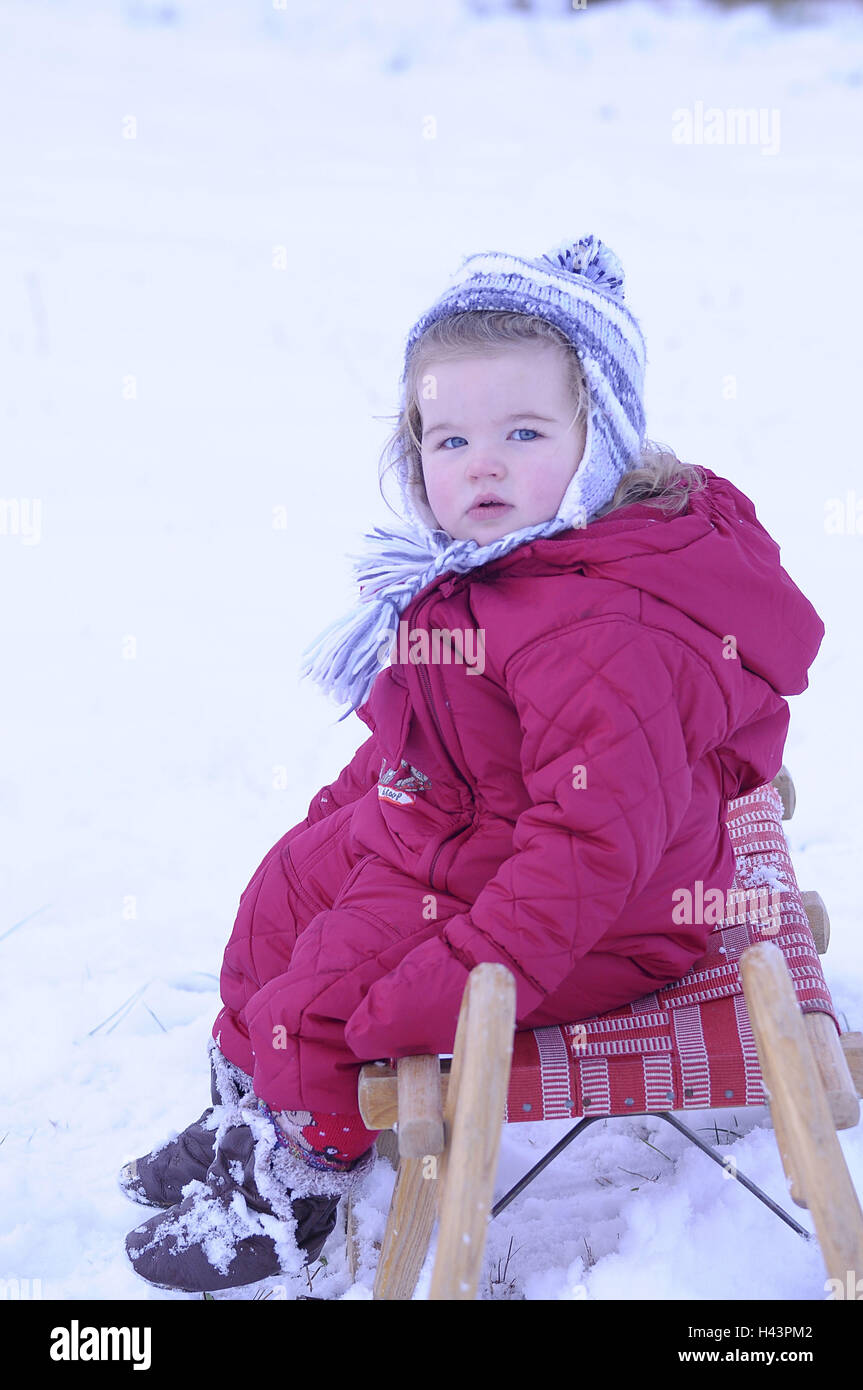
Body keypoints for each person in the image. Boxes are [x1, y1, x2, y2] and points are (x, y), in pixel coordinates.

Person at [119, 235, 825, 1293]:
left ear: (602, 439)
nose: (479, 464)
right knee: (274, 908)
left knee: (325, 999)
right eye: (447, 439)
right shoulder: (497, 572)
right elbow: (437, 740)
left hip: (601, 914)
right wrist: (342, 818)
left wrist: (452, 977)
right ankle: (251, 1106)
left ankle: (298, 1171)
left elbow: (588, 850)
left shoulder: (598, 628)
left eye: (522, 432)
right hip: (468, 838)